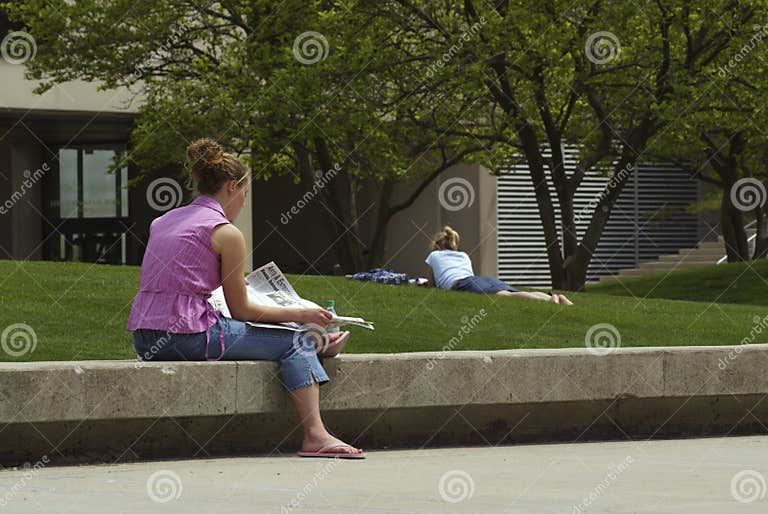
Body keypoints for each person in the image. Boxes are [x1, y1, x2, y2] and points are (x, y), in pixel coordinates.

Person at [127, 138, 364, 459]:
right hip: (188, 337)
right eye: (245, 194)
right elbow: (240, 309)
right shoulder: (226, 233)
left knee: (296, 335)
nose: (242, 203)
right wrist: (304, 318)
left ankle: (316, 344)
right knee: (295, 341)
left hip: (145, 337)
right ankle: (315, 435)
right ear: (233, 187)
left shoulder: (162, 222)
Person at [425, 226, 573, 305]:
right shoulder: (463, 255)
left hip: (462, 284)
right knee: (512, 291)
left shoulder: (434, 255)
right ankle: (556, 297)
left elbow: (432, 285)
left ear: (437, 246)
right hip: (479, 279)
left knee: (507, 296)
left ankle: (550, 301)